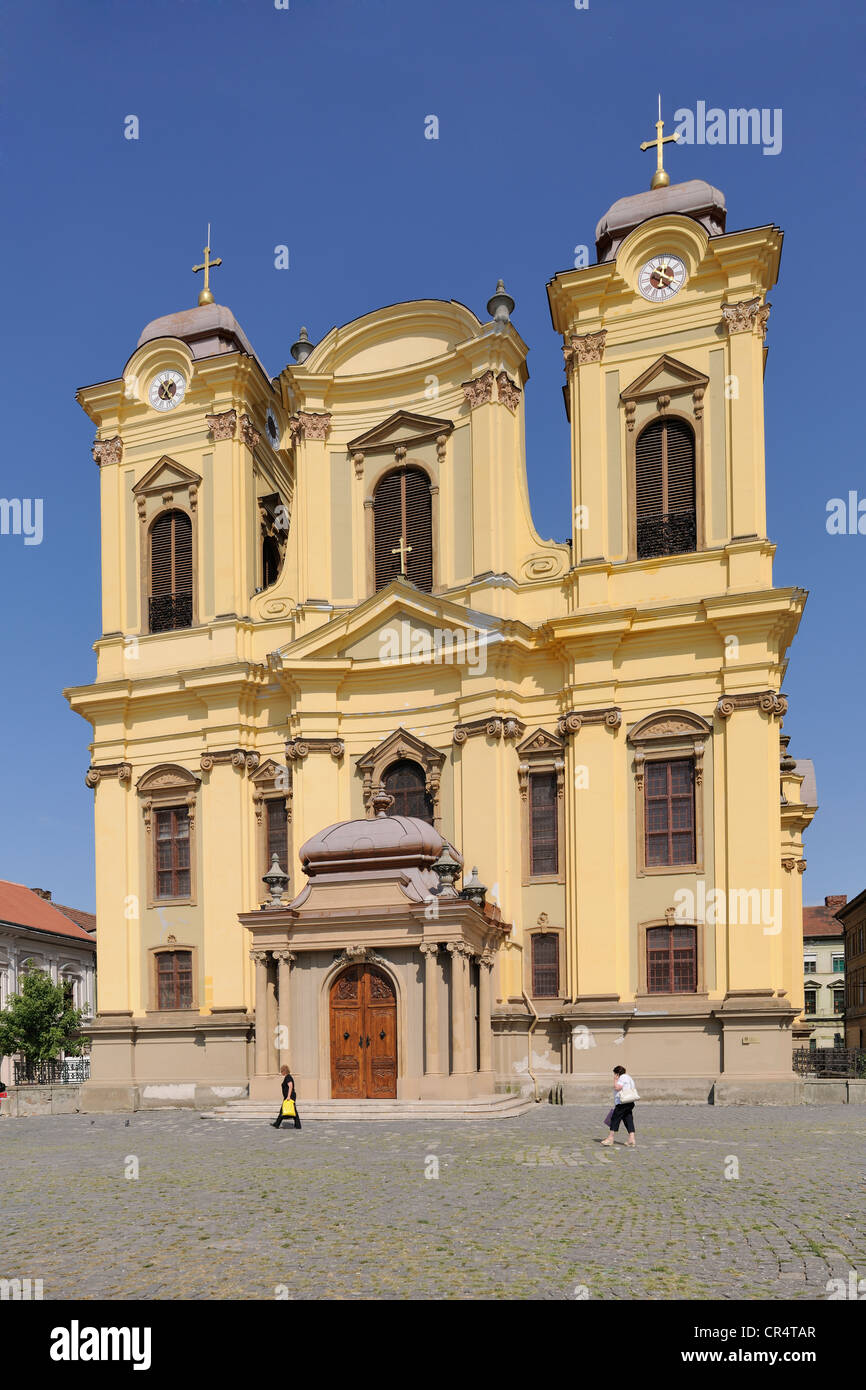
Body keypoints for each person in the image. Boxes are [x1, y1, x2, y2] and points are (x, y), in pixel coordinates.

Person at [601, 1064, 637, 1147]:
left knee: (614, 1119)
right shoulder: (629, 1077)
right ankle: (631, 1139)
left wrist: (615, 1080)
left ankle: (610, 1138)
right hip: (630, 1102)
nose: (614, 1075)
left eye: (615, 1074)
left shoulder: (622, 1077)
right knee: (628, 1119)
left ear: (617, 1073)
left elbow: (618, 1087)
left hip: (622, 1102)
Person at [271, 1064, 302, 1130]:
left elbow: (290, 1086)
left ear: (284, 1071)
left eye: (281, 1071)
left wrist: (288, 1096)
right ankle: (298, 1125)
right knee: (293, 1110)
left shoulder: (288, 1077)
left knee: (283, 1110)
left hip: (289, 1096)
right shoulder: (288, 1077)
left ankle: (277, 1124)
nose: (281, 1072)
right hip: (290, 1096)